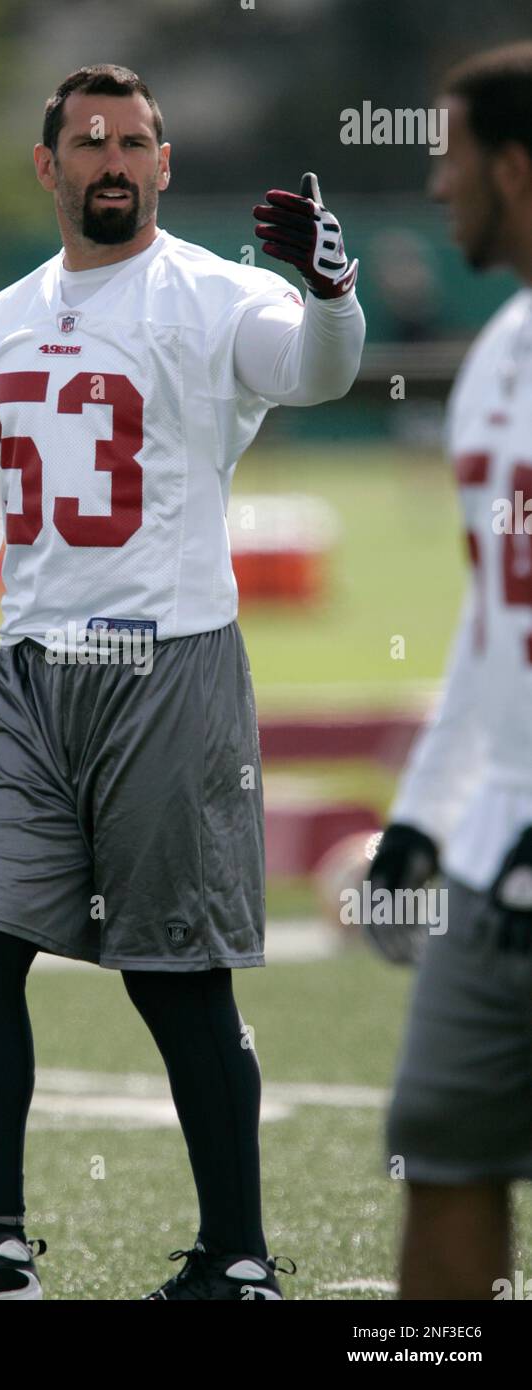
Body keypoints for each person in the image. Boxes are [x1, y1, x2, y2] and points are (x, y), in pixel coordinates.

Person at [0, 63, 365, 1301]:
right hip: (31, 676)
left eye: (135, 140)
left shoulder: (215, 293)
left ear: (164, 164)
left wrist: (332, 292)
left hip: (167, 671)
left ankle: (234, 1258)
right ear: (50, 166)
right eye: (90, 141)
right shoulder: (10, 315)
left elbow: (317, 371)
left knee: (177, 980)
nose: (114, 160)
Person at [366, 42, 532, 1301]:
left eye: (451, 157)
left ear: (513, 170)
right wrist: (421, 814)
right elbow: (491, 622)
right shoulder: (495, 361)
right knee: (439, 1141)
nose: (434, 187)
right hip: (493, 856)